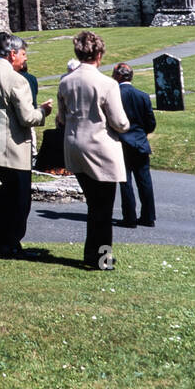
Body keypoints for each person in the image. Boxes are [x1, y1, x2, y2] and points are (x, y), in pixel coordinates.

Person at [0, 34, 51, 259]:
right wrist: (43, 111)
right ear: (13, 53)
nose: (25, 59)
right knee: (19, 200)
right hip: (13, 147)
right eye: (23, 54)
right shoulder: (17, 79)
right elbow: (27, 118)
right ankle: (10, 244)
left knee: (6, 196)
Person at [58, 32, 131, 271]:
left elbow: (61, 118)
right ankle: (100, 257)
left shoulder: (65, 82)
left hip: (74, 146)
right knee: (103, 207)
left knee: (94, 204)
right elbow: (120, 122)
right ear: (99, 55)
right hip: (99, 149)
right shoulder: (107, 84)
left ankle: (93, 252)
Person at [112, 63, 156, 228]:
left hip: (121, 142)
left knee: (125, 180)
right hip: (140, 141)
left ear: (118, 76)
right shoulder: (143, 96)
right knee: (144, 180)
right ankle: (148, 216)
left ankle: (129, 217)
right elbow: (150, 123)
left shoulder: (115, 95)